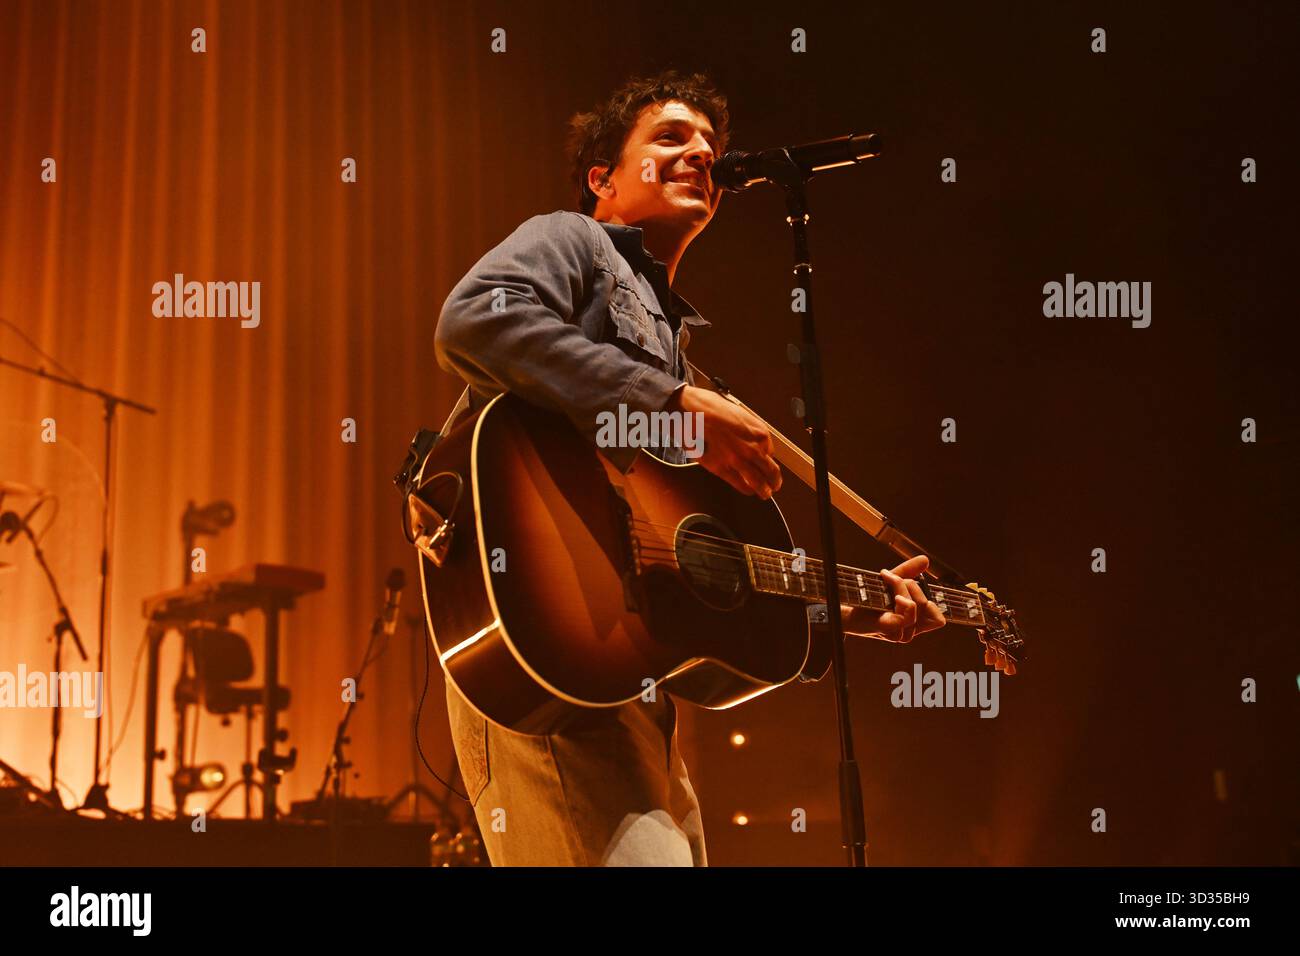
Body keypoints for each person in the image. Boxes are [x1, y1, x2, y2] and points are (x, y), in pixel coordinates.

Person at [432, 69, 945, 866]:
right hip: (554, 668)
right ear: (602, 178)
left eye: (711, 146)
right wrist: (666, 403)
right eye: (670, 138)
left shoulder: (674, 348)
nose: (701, 154)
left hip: (626, 685)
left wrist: (846, 611)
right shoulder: (573, 240)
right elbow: (472, 320)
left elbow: (679, 563)